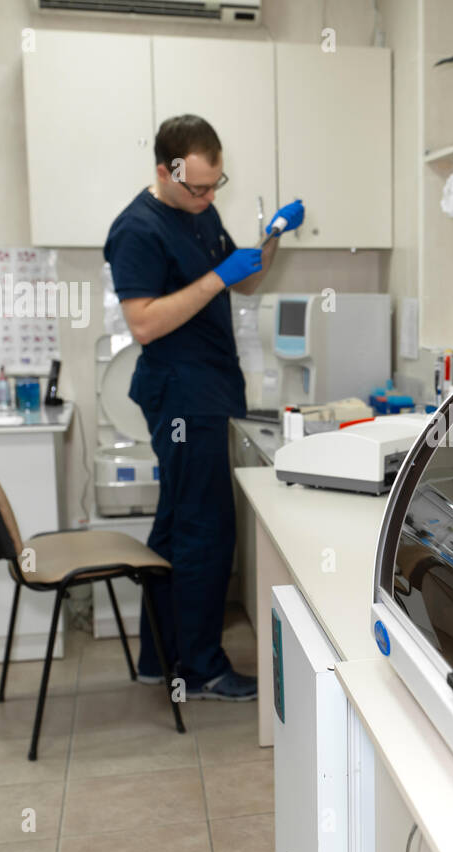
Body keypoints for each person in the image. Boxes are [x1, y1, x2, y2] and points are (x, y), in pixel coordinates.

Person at [103, 113, 303, 700]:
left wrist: (272, 235)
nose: (209, 197)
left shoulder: (201, 211)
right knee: (205, 529)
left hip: (210, 387)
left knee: (174, 527)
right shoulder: (137, 230)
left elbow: (247, 281)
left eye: (216, 185)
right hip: (182, 394)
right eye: (198, 188)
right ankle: (200, 669)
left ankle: (158, 657)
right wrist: (218, 276)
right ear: (166, 171)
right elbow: (142, 324)